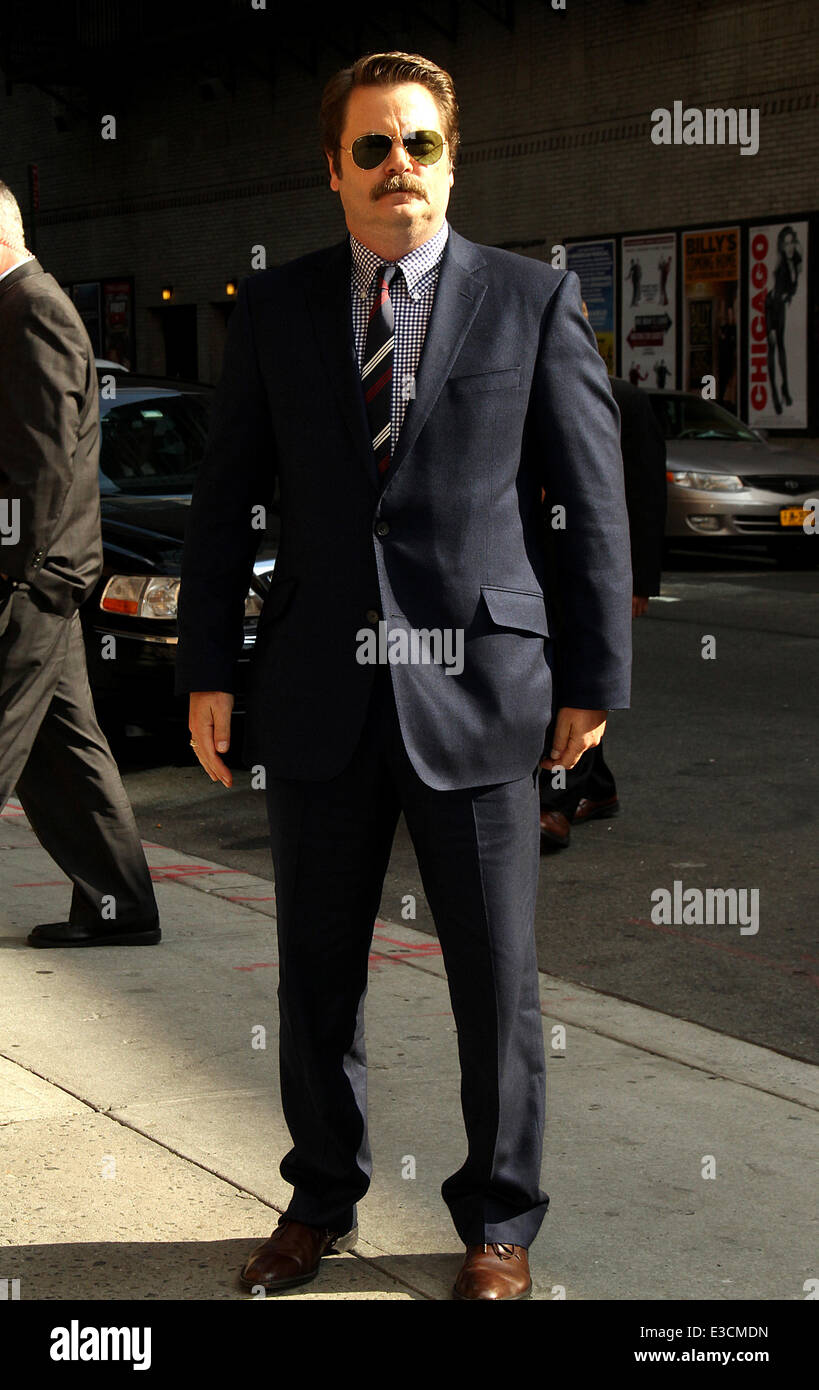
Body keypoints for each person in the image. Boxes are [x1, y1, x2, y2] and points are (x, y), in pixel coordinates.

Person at [176, 51, 632, 1301]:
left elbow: (592, 508)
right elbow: (223, 507)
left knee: (495, 982)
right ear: (333, 170)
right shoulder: (276, 310)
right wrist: (209, 666)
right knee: (316, 970)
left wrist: (592, 675)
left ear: (452, 158)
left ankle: (500, 1224)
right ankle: (319, 1199)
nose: (398, 168)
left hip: (483, 693)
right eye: (371, 148)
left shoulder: (533, 301)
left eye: (419, 143)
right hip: (321, 690)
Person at [0, 181, 160, 948]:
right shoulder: (21, 305)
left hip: (28, 577)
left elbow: (43, 463)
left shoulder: (31, 307)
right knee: (63, 754)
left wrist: (14, 573)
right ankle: (119, 907)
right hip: (42, 574)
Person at [539, 353, 666, 849]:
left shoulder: (625, 400)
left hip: (592, 567)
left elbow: (646, 496)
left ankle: (555, 803)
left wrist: (638, 583)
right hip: (536, 564)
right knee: (559, 677)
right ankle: (600, 789)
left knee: (578, 679)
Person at [765, 225, 802, 414]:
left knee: (782, 348)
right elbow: (773, 292)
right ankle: (775, 393)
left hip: (781, 306)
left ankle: (784, 389)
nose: (789, 247)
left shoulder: (794, 261)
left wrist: (789, 295)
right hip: (772, 307)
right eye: (786, 243)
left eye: (792, 242)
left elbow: (793, 287)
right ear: (781, 245)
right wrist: (770, 325)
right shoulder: (780, 263)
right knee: (774, 347)